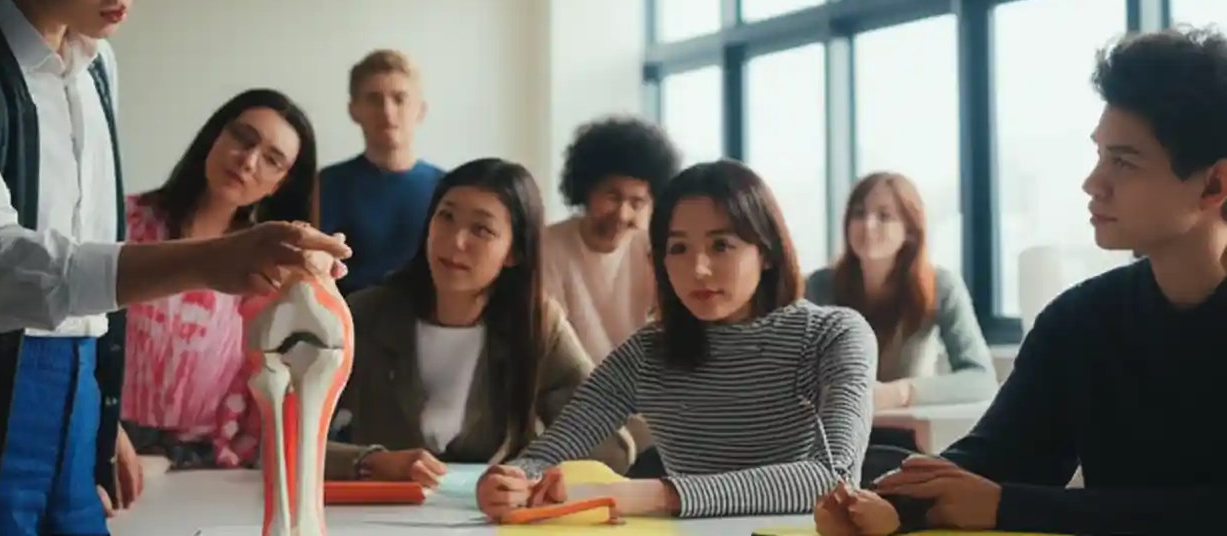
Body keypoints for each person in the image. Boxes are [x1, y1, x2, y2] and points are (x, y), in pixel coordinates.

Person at [0, 0, 349, 534]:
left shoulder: (97, 61)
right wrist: (206, 262)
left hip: (80, 397)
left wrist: (104, 418)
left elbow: (91, 246)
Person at [817, 27, 1227, 536]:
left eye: (1123, 162)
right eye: (1100, 154)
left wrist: (1010, 507)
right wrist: (882, 506)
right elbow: (995, 459)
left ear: (1213, 184)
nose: (1092, 183)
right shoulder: (1081, 321)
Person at [476, 160, 877, 520]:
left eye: (721, 246)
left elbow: (833, 477)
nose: (698, 269)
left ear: (767, 252)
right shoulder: (649, 350)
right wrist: (508, 482)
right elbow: (548, 452)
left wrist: (643, 494)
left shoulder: (834, 335)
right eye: (679, 248)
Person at [326, 158, 634, 484]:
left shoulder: (534, 324)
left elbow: (612, 449)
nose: (456, 241)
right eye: (445, 217)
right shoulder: (366, 314)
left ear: (513, 252)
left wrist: (526, 469)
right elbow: (288, 438)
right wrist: (369, 461)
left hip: (487, 518)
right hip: (375, 516)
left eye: (481, 230)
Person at [122, 89, 321, 469]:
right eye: (243, 139)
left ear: (279, 184)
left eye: (272, 160)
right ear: (215, 136)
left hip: (201, 467)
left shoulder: (270, 267)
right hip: (99, 444)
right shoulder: (123, 220)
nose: (248, 161)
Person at [807, 172, 995, 418]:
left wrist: (901, 393)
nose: (868, 225)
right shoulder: (821, 285)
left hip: (907, 429)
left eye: (884, 216)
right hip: (835, 427)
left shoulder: (941, 285)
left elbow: (981, 379)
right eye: (859, 214)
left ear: (910, 231)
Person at [544, 115, 680, 364]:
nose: (622, 214)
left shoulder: (657, 249)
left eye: (637, 202)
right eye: (612, 196)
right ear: (585, 190)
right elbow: (550, 347)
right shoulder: (546, 247)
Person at [319, 49, 443, 295]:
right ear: (353, 110)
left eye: (399, 99)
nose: (387, 111)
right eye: (374, 99)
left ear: (421, 110)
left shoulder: (448, 188)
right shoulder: (327, 184)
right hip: (350, 322)